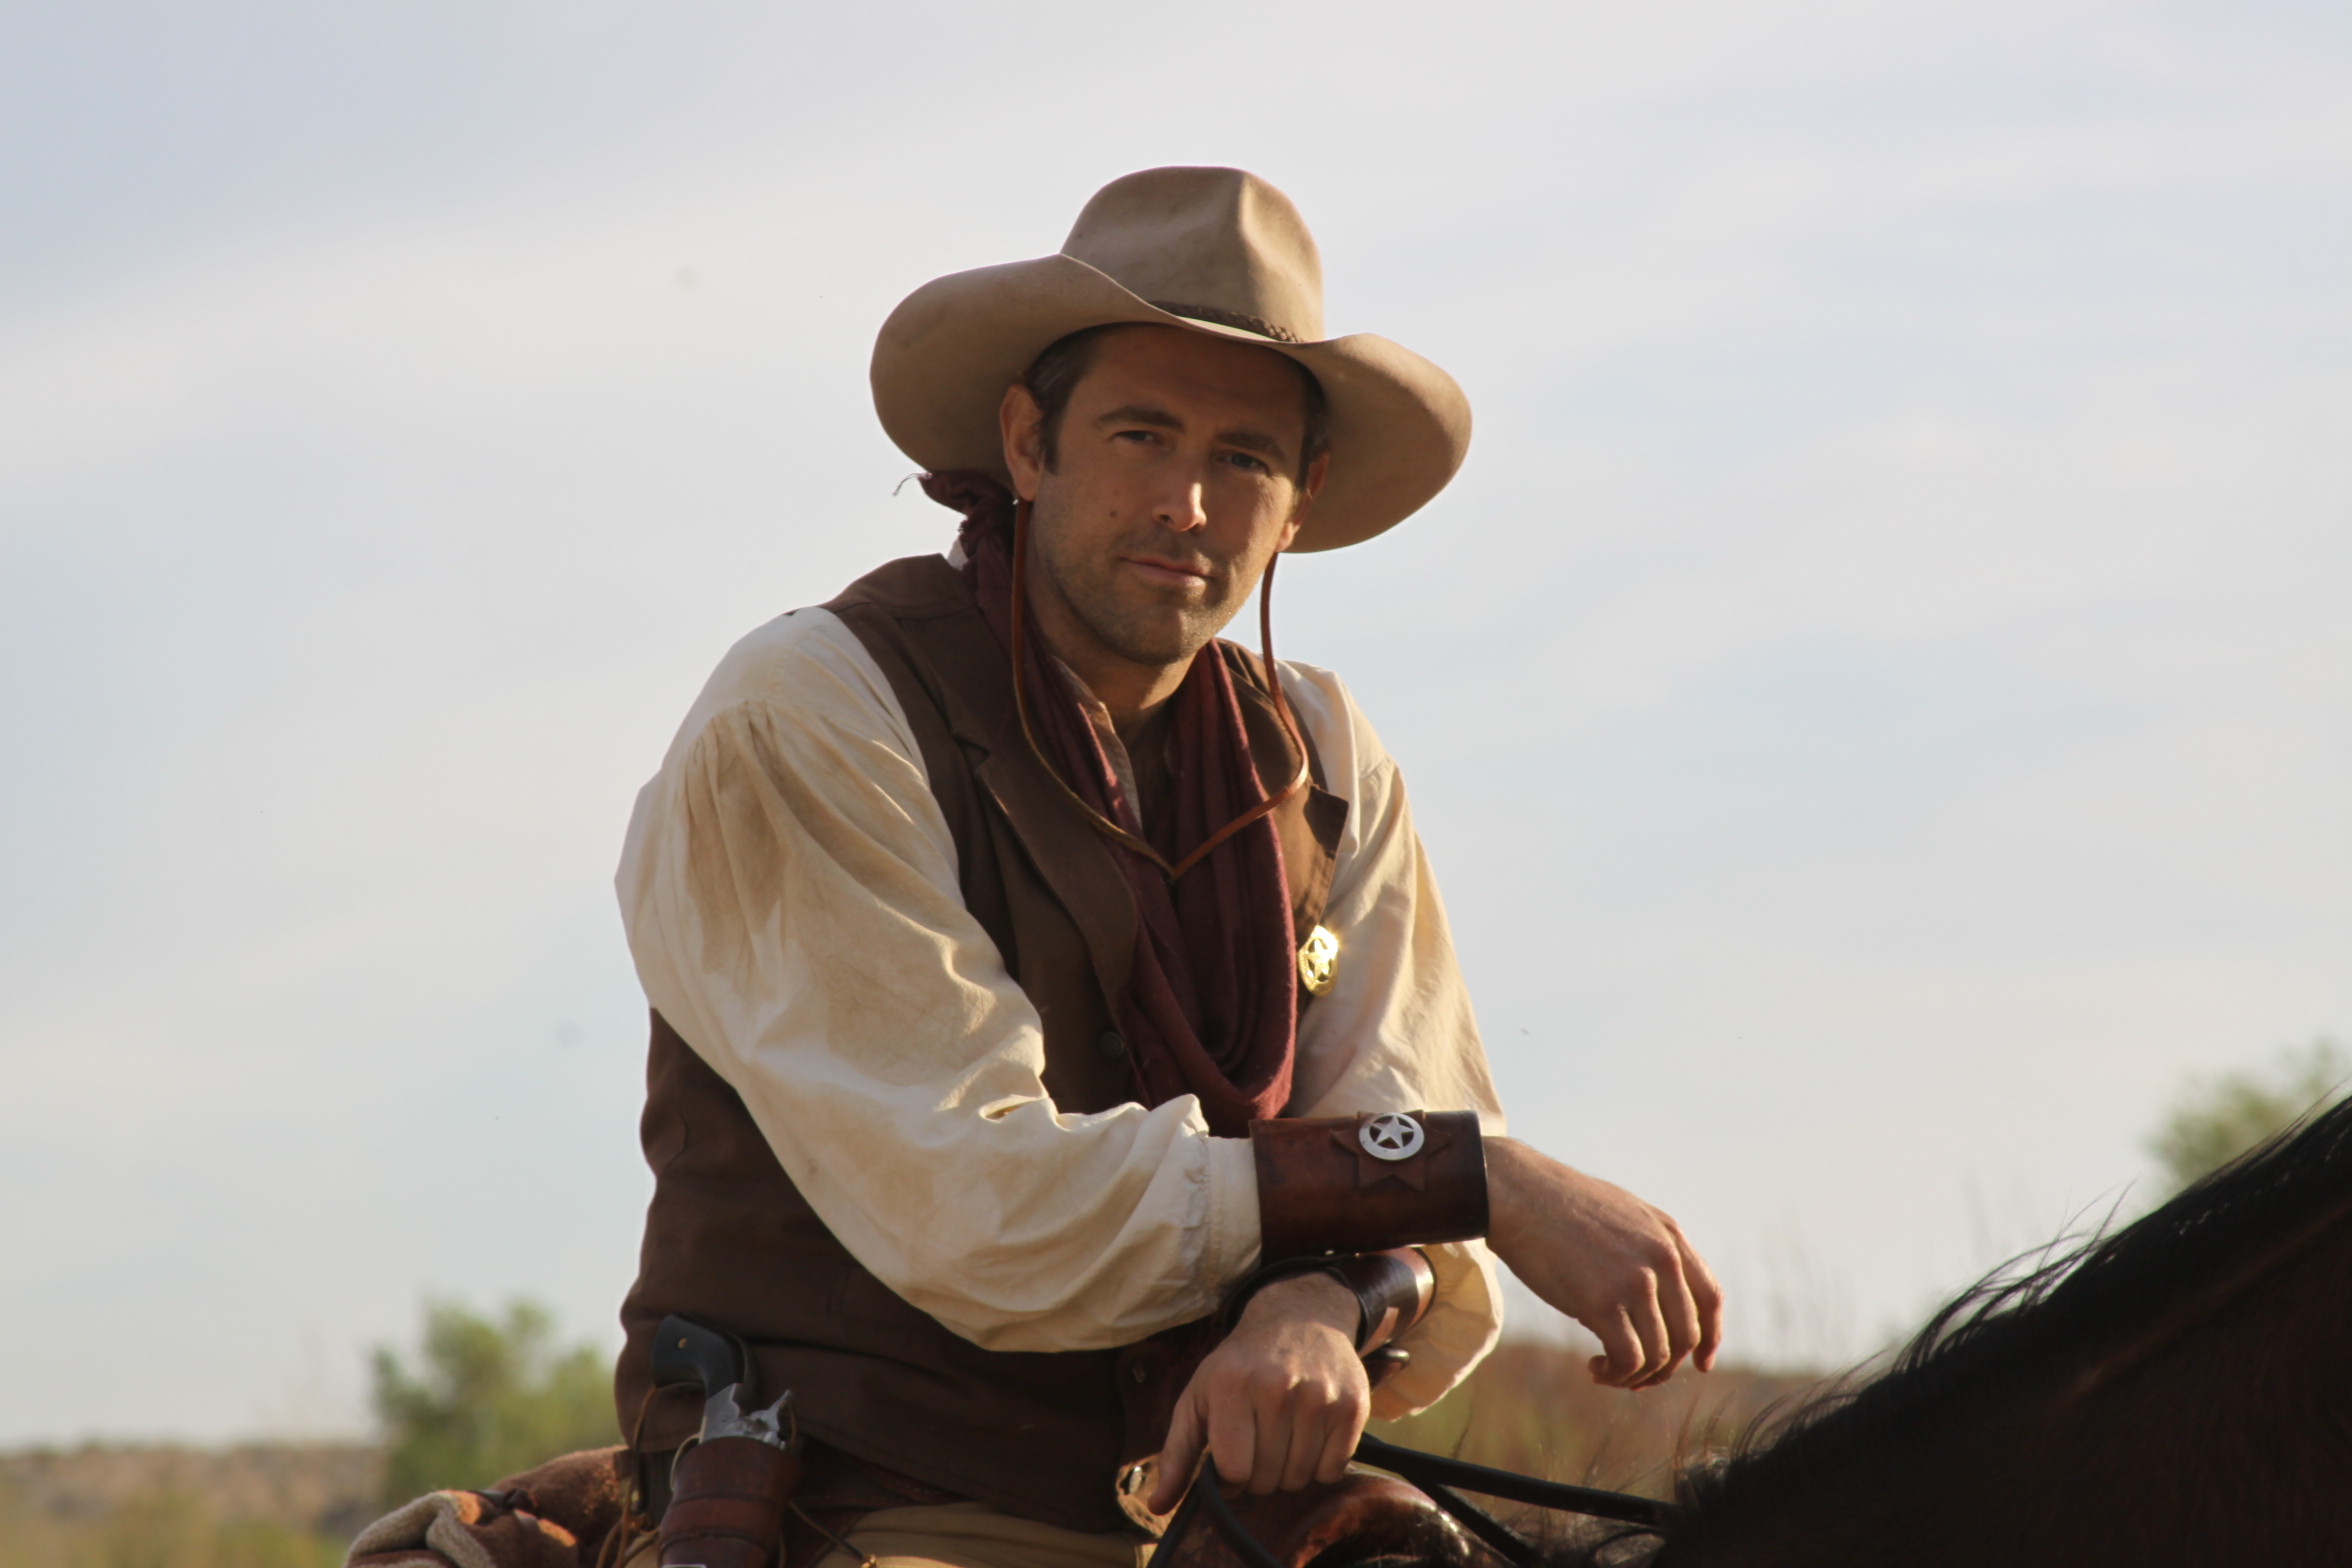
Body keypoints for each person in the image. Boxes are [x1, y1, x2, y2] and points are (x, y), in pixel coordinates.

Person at [610, 167, 1723, 1568]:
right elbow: (980, 1201)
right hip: (884, 1503)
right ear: (1028, 445)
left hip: (1228, 1508)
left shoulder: (1322, 751)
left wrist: (1315, 1307)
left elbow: (1395, 1102)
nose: (1189, 503)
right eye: (1140, 434)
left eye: (1246, 456)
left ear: (1302, 499)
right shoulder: (816, 709)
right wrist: (1470, 1181)